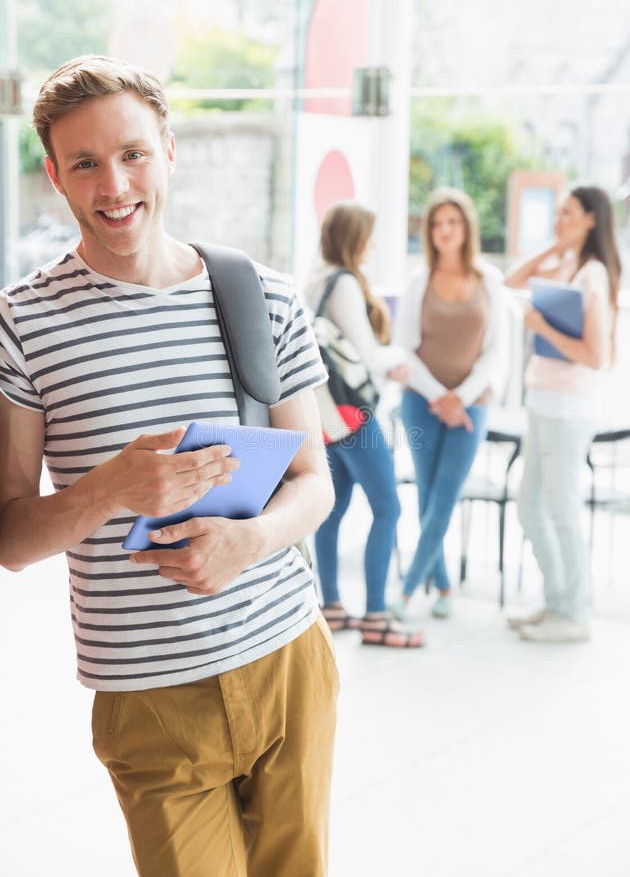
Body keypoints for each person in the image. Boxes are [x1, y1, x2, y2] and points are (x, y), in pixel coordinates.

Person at [0, 55, 338, 877]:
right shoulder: (22, 324)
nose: (113, 185)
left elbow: (314, 484)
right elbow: (9, 536)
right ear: (55, 176)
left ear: (170, 152)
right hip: (150, 694)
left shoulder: (263, 295)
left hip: (285, 656)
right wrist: (113, 486)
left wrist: (246, 544)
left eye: (133, 154)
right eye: (85, 163)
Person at [305, 201, 424, 648]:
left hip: (325, 417)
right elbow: (370, 356)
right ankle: (377, 615)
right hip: (357, 416)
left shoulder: (314, 280)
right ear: (355, 239)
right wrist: (402, 359)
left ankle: (331, 604)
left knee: (332, 512)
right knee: (388, 509)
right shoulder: (346, 283)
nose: (373, 243)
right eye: (368, 235)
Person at [504, 185, 620, 642]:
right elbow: (511, 280)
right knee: (531, 508)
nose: (559, 219)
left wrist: (540, 325)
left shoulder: (594, 274)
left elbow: (596, 356)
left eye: (568, 214)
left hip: (569, 409)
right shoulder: (568, 265)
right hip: (542, 403)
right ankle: (556, 603)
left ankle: (574, 613)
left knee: (562, 510)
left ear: (592, 218)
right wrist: (557, 244)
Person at [391, 187, 506, 620]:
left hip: (472, 406)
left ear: (466, 228)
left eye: (452, 223)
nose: (444, 231)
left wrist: (462, 398)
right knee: (427, 493)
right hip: (421, 402)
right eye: (437, 224)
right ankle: (442, 587)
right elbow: (404, 348)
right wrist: (440, 396)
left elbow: (496, 353)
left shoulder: (489, 281)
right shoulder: (418, 281)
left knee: (444, 496)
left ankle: (404, 592)